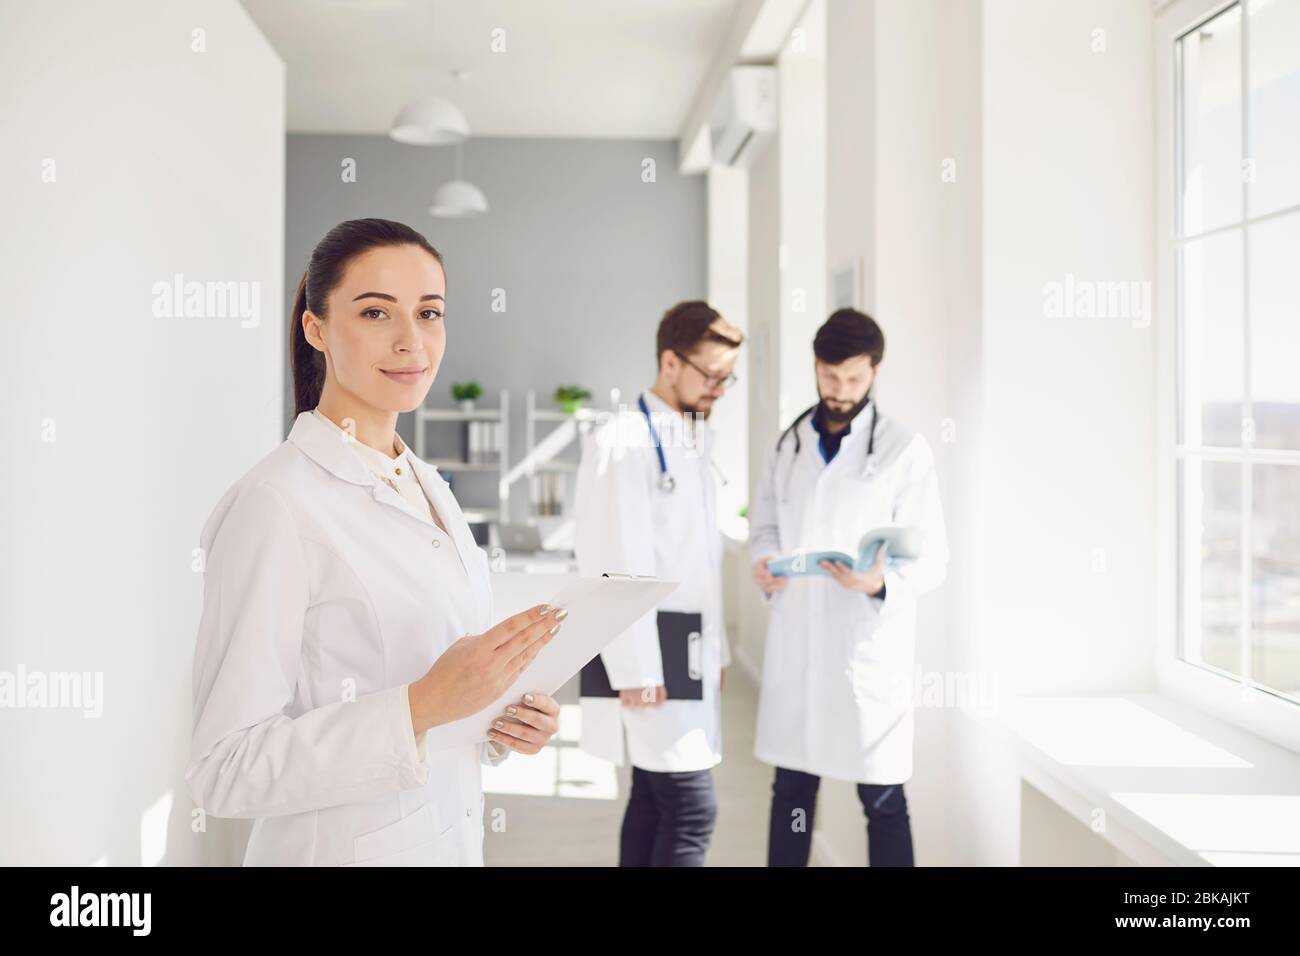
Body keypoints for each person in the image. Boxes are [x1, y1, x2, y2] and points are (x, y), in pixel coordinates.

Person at [186, 218, 561, 866]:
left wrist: (501, 716)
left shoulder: (426, 486)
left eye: (430, 312)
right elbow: (226, 767)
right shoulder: (274, 505)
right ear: (316, 328)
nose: (410, 341)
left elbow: (440, 684)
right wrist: (420, 706)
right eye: (375, 312)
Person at [748, 308, 948, 867]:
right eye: (830, 377)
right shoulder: (785, 446)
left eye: (854, 379)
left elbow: (933, 559)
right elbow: (763, 527)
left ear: (874, 372)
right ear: (816, 367)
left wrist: (879, 580)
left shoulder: (904, 451)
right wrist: (764, 560)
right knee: (791, 791)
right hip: (798, 646)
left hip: (865, 648)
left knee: (882, 797)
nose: (840, 391)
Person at [573, 301, 743, 866]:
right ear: (671, 362)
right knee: (692, 811)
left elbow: (696, 564)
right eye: (711, 374)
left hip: (686, 652)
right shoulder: (624, 441)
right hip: (650, 656)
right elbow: (616, 567)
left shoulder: (691, 441)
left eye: (728, 377)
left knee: (652, 798)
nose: (720, 388)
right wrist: (638, 673)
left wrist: (712, 651)